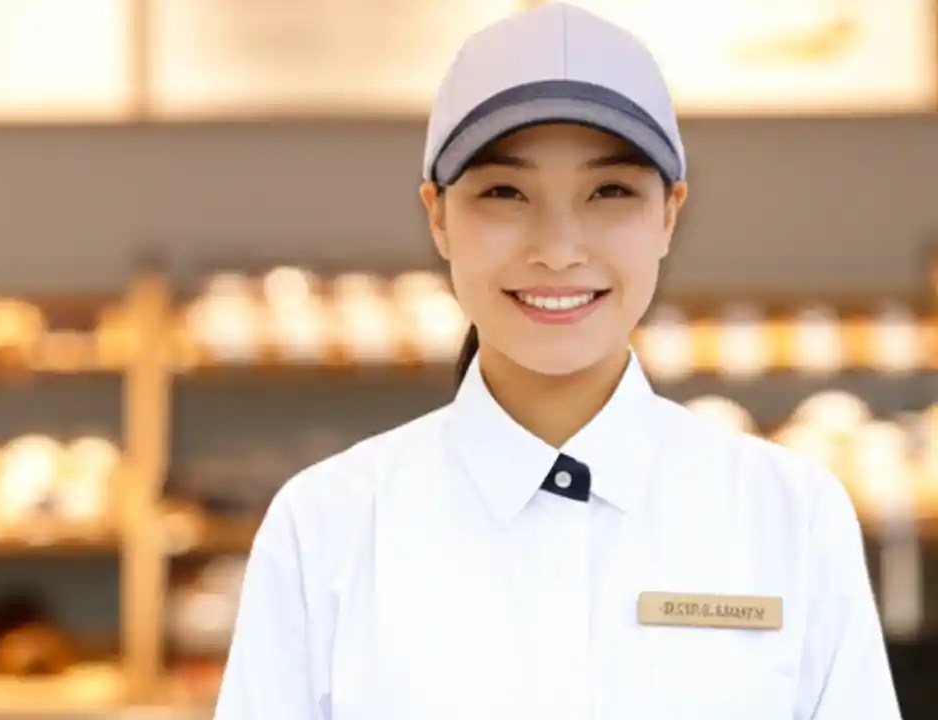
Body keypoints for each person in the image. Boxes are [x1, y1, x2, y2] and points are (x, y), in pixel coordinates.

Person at [213, 3, 901, 718]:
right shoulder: (327, 527)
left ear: (669, 212)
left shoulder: (790, 515)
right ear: (439, 215)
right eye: (505, 193)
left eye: (610, 192)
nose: (559, 247)